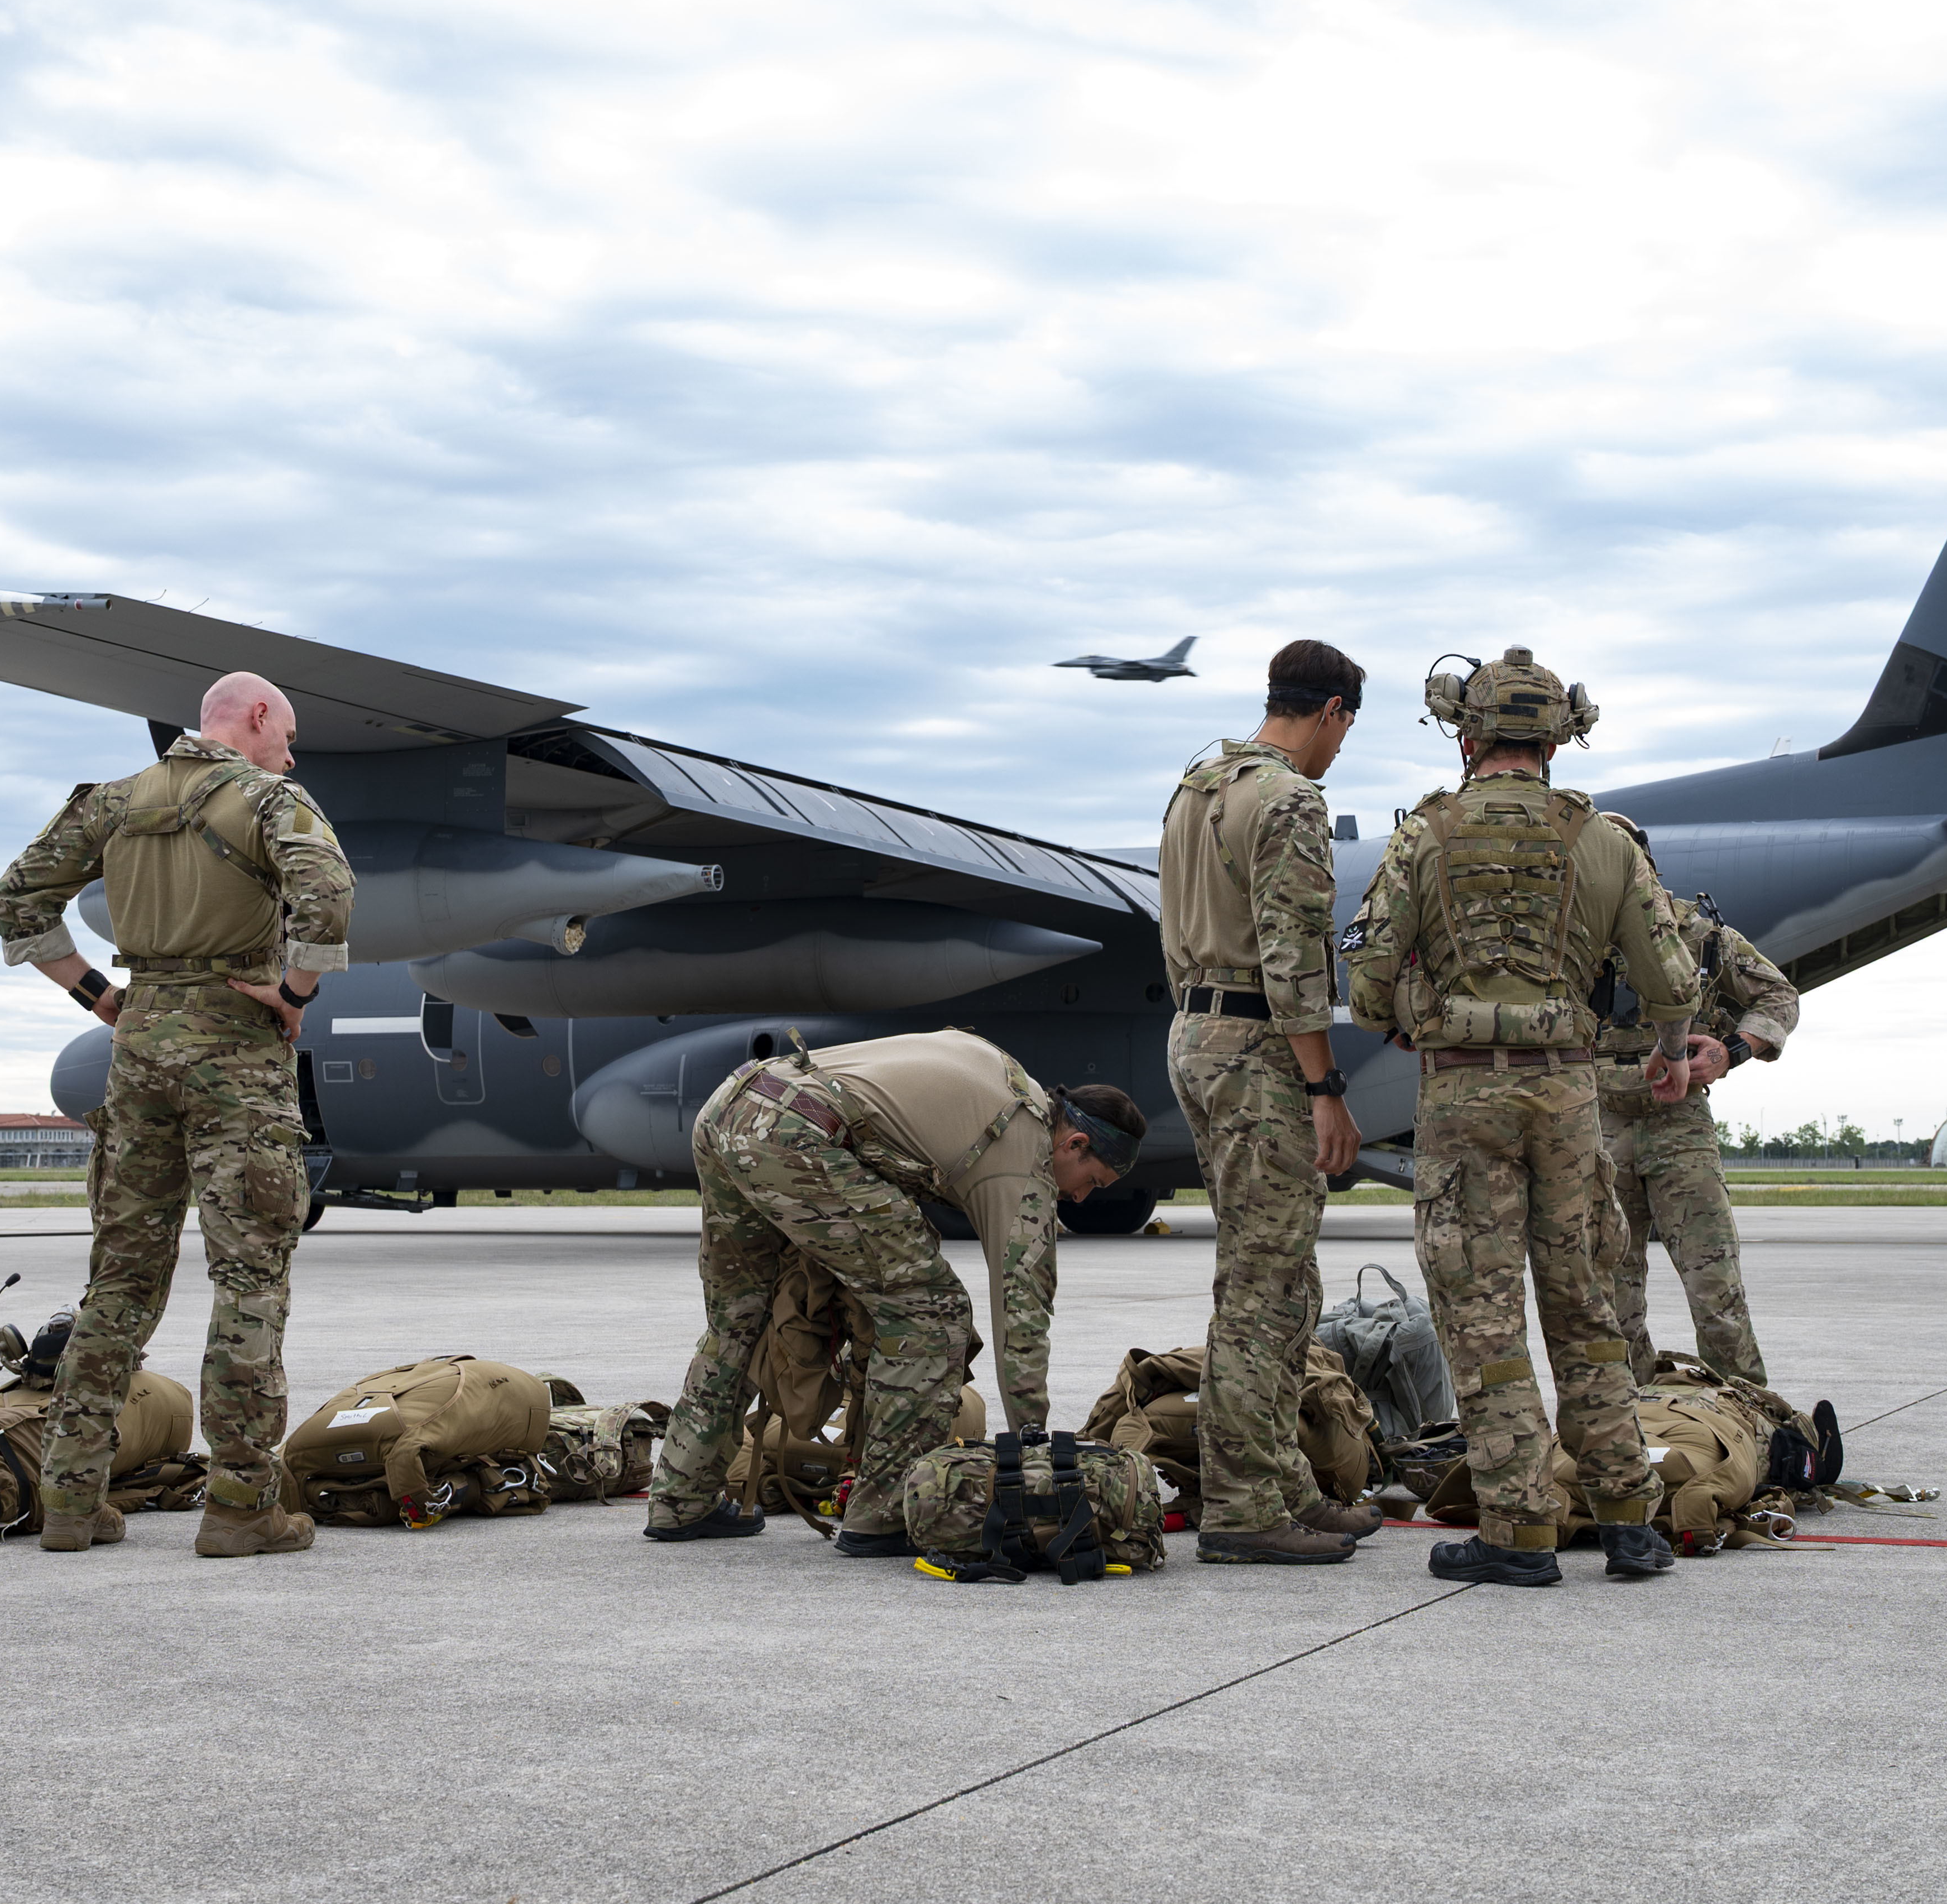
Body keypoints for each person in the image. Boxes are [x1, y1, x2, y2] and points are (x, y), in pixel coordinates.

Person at [1341, 646, 1701, 1588]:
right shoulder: (1606, 840)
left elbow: (1371, 989)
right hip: (1570, 1092)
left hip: (1464, 1098)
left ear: (1467, 735)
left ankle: (1518, 1526)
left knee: (1483, 1315)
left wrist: (1425, 1001)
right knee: (1584, 1303)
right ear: (1556, 740)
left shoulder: (1424, 835)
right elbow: (1670, 981)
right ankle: (1628, 1518)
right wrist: (1667, 1054)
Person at [0, 671, 354, 1558]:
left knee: (118, 1280)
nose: (292, 753)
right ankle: (239, 1505)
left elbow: (14, 899)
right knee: (249, 1278)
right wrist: (292, 989)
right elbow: (330, 893)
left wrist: (99, 995)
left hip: (141, 1044)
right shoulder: (269, 801)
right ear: (257, 717)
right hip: (236, 1044)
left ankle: (70, 1501)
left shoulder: (113, 802)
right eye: (288, 733)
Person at [641, 1030, 1142, 1557]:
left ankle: (682, 1499)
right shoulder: (1024, 1153)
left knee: (740, 1317)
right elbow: (1022, 1312)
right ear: (1074, 1144)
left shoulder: (1001, 1071)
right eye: (1093, 1180)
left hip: (731, 1108)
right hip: (797, 1135)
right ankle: (880, 1517)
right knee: (932, 1312)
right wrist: (1033, 1441)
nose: (1082, 1197)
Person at [1158, 639, 1377, 1566]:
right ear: (1329, 710)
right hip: (1258, 1049)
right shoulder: (1289, 801)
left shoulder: (1196, 785)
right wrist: (1324, 1085)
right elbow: (1294, 961)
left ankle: (1283, 1479)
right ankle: (1246, 1503)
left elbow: (1176, 930)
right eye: (1345, 729)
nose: (1339, 749)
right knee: (1261, 1284)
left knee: (1279, 1273)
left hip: (1195, 1036)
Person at [1589, 819, 1799, 1385]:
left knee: (1715, 1291)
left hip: (1678, 1126)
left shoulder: (1699, 935)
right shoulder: (1568, 936)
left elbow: (1778, 996)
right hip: (1595, 1128)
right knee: (1609, 1299)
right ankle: (1629, 1427)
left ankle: (1747, 1416)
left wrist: (1730, 1051)